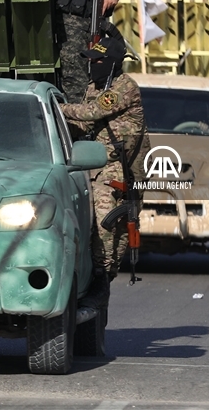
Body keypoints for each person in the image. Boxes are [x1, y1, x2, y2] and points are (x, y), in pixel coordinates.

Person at [61, 29, 150, 306]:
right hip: (96, 162)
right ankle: (97, 271)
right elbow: (84, 124)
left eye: (98, 62)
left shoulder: (124, 87)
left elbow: (91, 113)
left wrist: (58, 108)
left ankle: (103, 274)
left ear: (112, 63)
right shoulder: (94, 88)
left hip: (119, 167)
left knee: (107, 217)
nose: (92, 66)